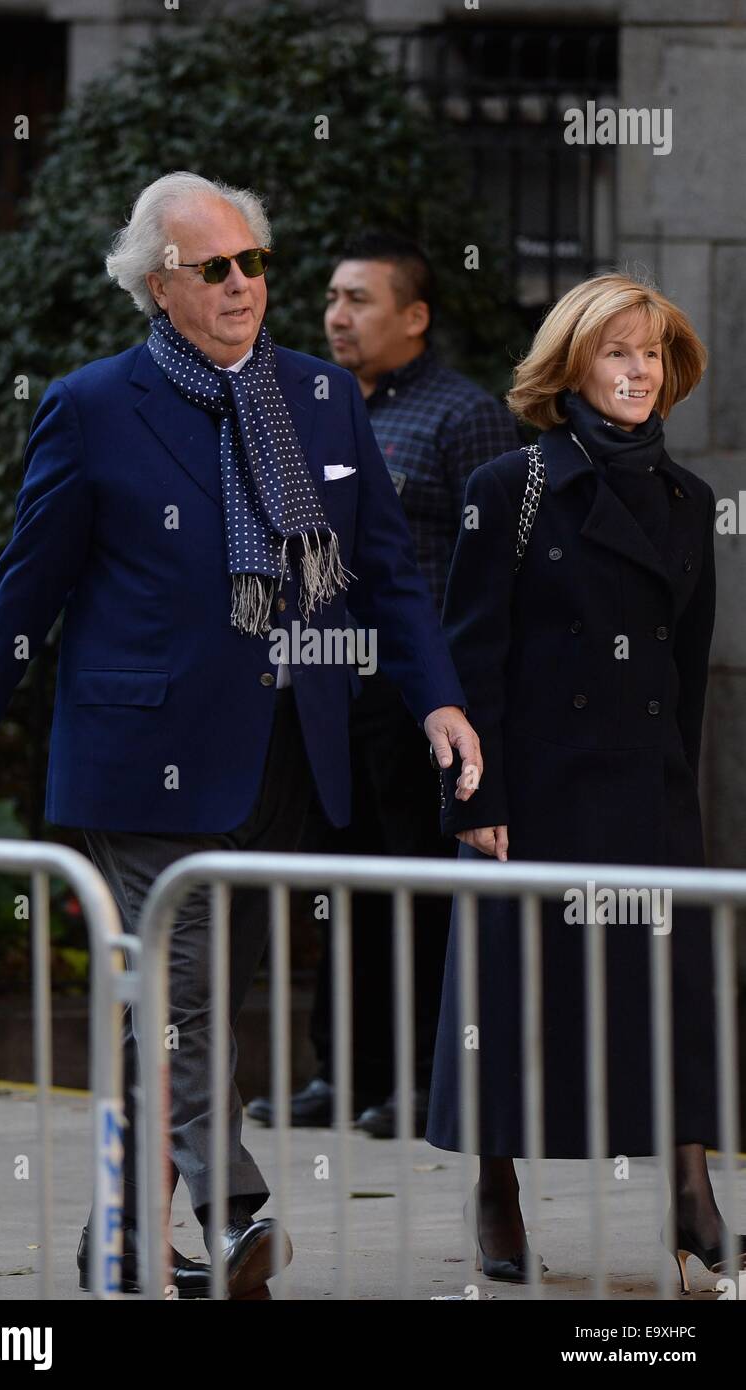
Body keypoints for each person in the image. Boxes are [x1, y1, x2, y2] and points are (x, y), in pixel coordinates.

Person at [0, 171, 481, 1299]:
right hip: (141, 757)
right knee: (181, 998)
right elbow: (29, 587)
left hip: (292, 747)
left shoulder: (321, 398)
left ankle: (122, 1238)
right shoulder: (92, 404)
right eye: (212, 268)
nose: (241, 285)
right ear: (156, 285)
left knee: (192, 1006)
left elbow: (383, 575)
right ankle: (232, 1217)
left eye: (252, 262)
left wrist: (436, 697)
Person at [426, 271, 746, 1291]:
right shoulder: (508, 488)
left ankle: (692, 1196)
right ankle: (494, 1181)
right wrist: (476, 799)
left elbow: (682, 669)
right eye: (615, 351)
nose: (636, 370)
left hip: (644, 790)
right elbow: (466, 661)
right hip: (535, 790)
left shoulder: (690, 502)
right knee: (512, 994)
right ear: (570, 367)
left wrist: (675, 794)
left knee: (673, 993)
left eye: (649, 352)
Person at [247, 232, 520, 1136]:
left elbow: (497, 569)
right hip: (324, 690)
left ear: (415, 315)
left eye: (358, 299)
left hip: (418, 699)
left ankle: (421, 1083)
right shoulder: (313, 408)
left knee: (419, 888)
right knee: (341, 882)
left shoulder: (462, 414)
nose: (335, 314)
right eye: (329, 296)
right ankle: (342, 1073)